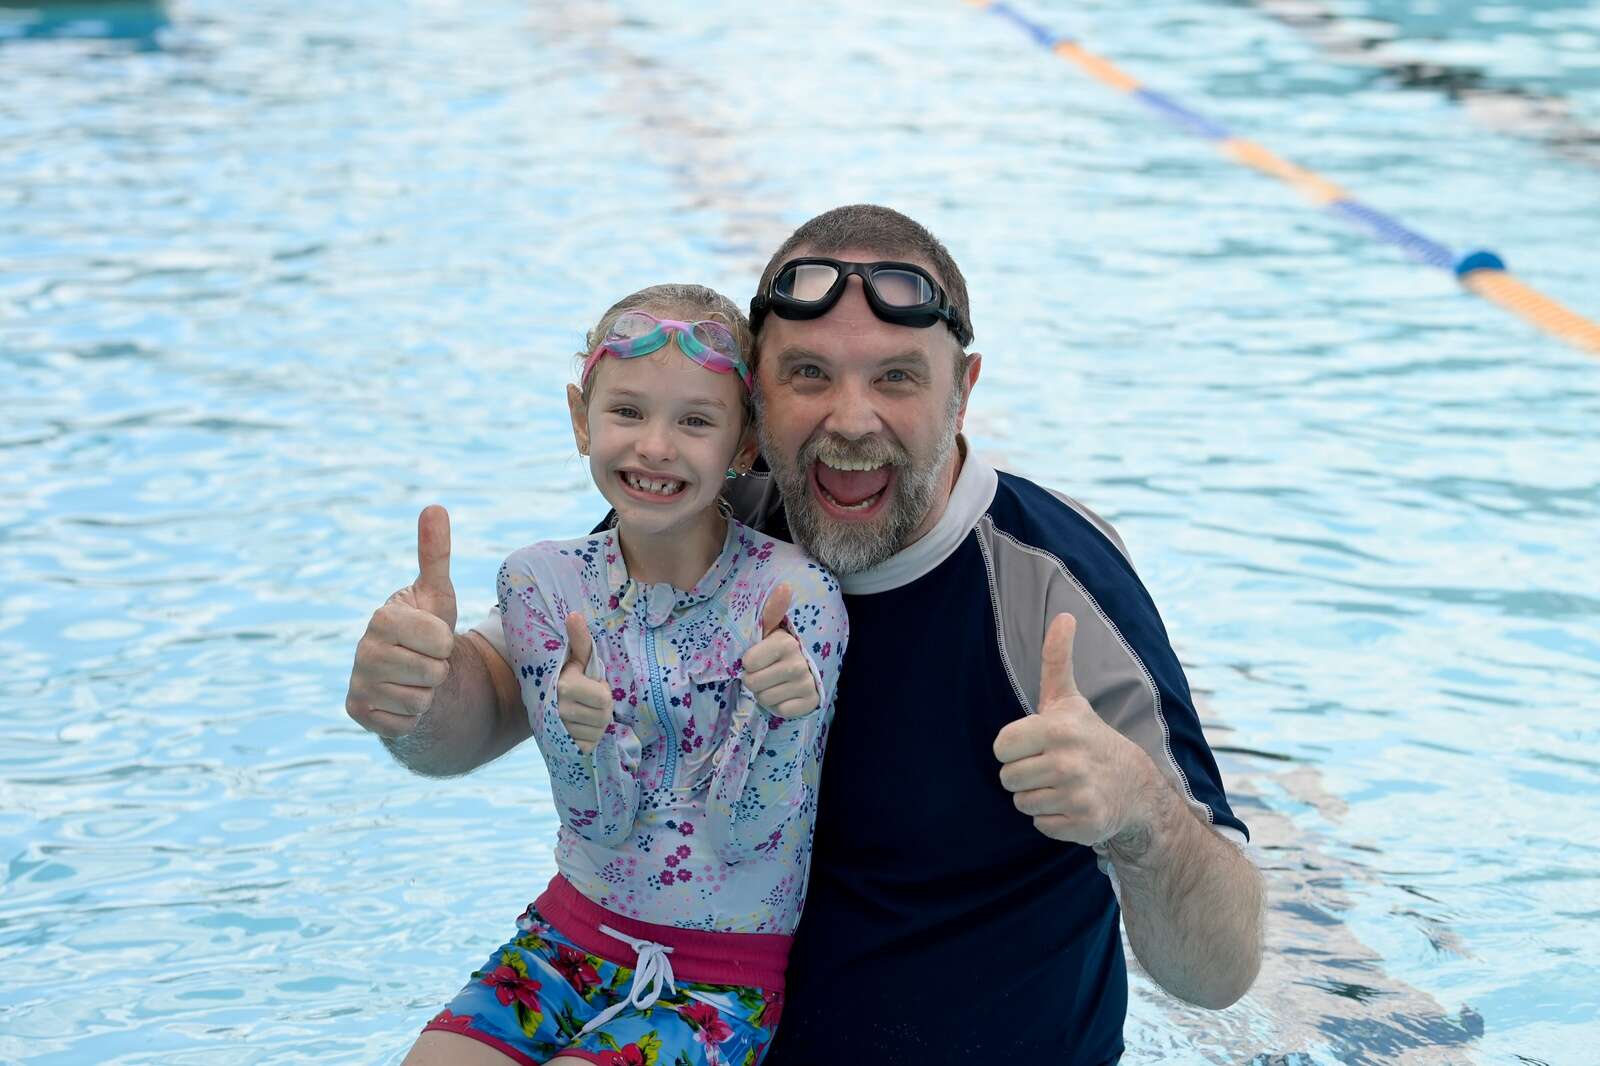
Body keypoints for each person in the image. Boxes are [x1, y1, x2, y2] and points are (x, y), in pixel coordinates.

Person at [347, 206, 1264, 1064]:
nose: (851, 420)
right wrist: (421, 694)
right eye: (809, 374)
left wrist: (1138, 811)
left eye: (896, 378)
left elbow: (1219, 972)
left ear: (964, 391)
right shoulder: (707, 515)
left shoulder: (1051, 584)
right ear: (756, 406)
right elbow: (497, 706)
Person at [370, 284, 847, 1066]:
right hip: (566, 942)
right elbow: (600, 821)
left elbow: (746, 833)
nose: (655, 447)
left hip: (719, 982)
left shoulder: (793, 597)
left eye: (695, 421)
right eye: (627, 412)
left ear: (745, 444)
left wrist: (780, 719)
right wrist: (581, 737)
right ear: (579, 418)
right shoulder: (542, 586)